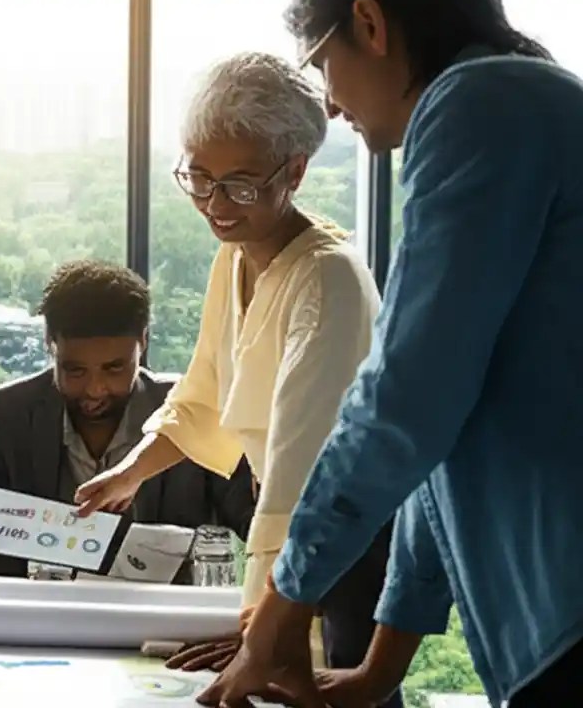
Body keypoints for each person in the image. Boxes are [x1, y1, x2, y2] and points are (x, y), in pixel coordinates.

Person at [197, 0, 583, 708]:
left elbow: (407, 401)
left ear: (369, 24)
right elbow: (445, 428)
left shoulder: (478, 103)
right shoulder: (525, 99)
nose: (332, 103)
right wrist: (381, 669)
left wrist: (284, 605)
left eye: (322, 63)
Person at [74, 52, 396, 699]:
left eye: (239, 185)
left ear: (295, 171)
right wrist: (132, 472)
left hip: (342, 536)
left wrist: (269, 620)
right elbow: (206, 395)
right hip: (291, 530)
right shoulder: (238, 254)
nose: (215, 205)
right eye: (198, 179)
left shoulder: (328, 278)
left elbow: (303, 470)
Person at [0, 259, 255, 579]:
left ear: (143, 342)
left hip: (168, 622)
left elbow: (257, 520)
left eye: (114, 368)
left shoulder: (192, 410)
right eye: (74, 370)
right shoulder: (10, 412)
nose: (95, 389)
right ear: (50, 343)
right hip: (46, 619)